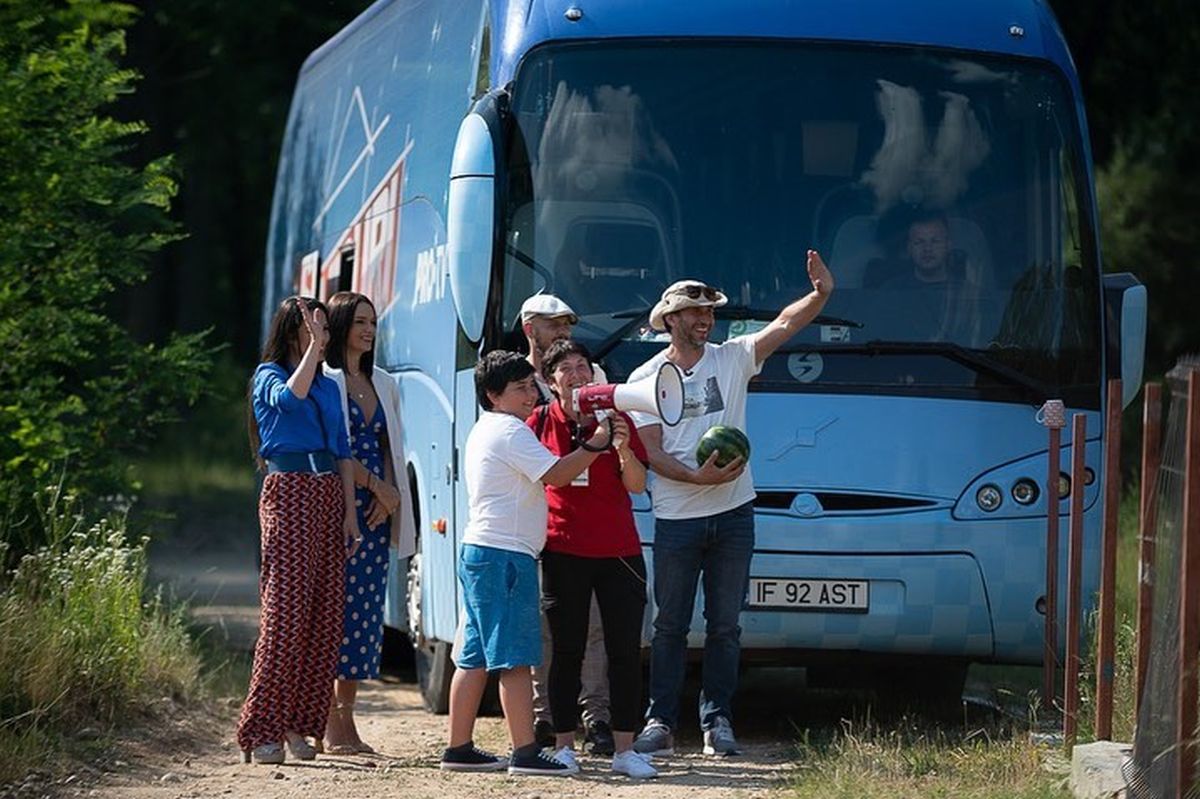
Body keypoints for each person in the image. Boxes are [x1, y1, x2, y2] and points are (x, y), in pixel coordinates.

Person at [629, 252, 834, 757]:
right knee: (670, 624)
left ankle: (717, 721)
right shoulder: (644, 377)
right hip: (677, 517)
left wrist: (821, 294)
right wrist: (695, 476)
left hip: (734, 514)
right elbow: (652, 452)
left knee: (725, 626)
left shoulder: (733, 356)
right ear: (671, 319)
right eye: (695, 312)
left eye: (710, 313)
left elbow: (785, 323)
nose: (705, 320)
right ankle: (660, 721)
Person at [439, 350, 610, 777]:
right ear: (493, 395)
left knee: (474, 656)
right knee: (514, 657)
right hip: (505, 557)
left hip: (481, 552)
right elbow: (557, 475)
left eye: (532, 386)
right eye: (520, 389)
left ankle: (458, 747)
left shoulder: (487, 428)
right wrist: (595, 444)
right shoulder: (512, 432)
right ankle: (526, 752)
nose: (531, 395)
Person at [237, 296, 359, 765]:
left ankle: (298, 725)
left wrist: (349, 513)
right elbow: (291, 398)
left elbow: (342, 450)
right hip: (288, 491)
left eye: (325, 328)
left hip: (327, 491)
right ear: (293, 329)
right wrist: (313, 352)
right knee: (285, 617)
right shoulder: (268, 376)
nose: (322, 335)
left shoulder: (331, 385)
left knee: (324, 619)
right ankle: (260, 728)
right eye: (313, 326)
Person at [528, 339, 657, 779]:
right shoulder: (540, 422)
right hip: (563, 550)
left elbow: (637, 485)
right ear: (550, 381)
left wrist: (620, 447)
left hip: (620, 551)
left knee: (624, 651)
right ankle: (564, 745)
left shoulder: (617, 419)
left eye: (584, 366)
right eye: (566, 368)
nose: (578, 374)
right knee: (566, 652)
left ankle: (624, 748)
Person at [321, 291, 419, 754]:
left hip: (376, 513)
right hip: (336, 509)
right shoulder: (324, 379)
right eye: (360, 321)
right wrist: (377, 488)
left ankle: (347, 723)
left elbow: (390, 446)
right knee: (331, 616)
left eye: (373, 322)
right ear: (340, 325)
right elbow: (333, 449)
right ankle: (324, 720)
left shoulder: (384, 381)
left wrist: (389, 495)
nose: (368, 330)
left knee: (362, 620)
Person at [519, 292, 614, 755]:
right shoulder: (514, 381)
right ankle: (547, 719)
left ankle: (597, 718)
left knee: (593, 628)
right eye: (552, 323)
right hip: (540, 526)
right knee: (547, 629)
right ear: (529, 329)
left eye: (567, 323)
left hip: (588, 528)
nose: (562, 330)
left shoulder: (593, 379)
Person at [876, 211, 981, 342]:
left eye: (935, 241)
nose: (927, 249)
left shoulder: (967, 294)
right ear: (909, 248)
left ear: (948, 245)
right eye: (919, 242)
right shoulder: (891, 291)